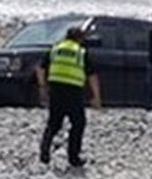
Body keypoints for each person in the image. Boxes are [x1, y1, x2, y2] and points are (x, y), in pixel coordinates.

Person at [36, 27, 102, 168]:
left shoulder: (55, 49)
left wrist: (42, 87)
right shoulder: (80, 52)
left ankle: (44, 152)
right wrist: (96, 96)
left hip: (56, 89)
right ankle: (73, 157)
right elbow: (92, 75)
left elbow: (40, 68)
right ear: (79, 39)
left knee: (54, 122)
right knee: (78, 124)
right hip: (73, 91)